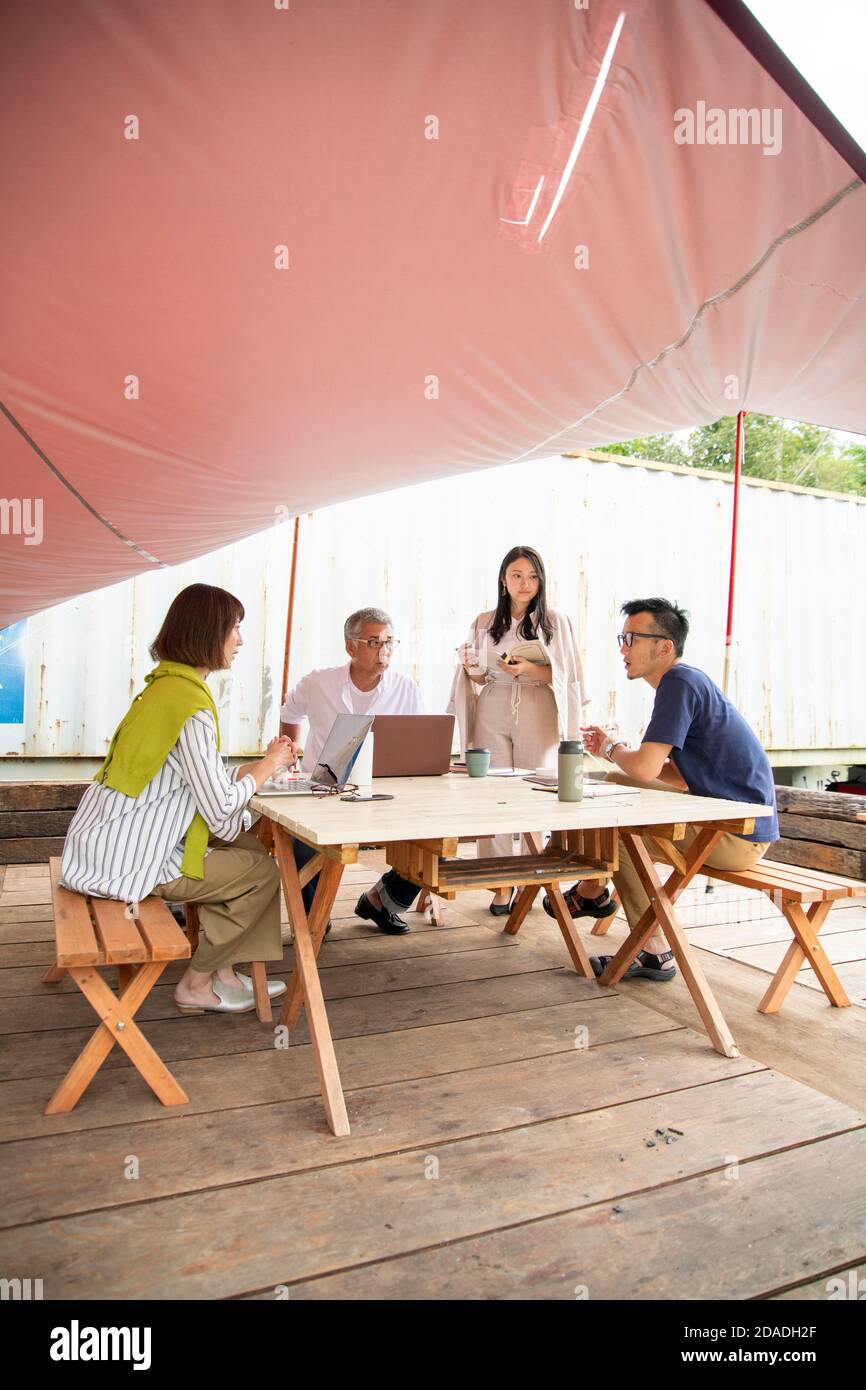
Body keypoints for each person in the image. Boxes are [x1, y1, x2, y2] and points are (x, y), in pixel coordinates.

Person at [61, 584, 300, 1014]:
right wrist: (266, 767)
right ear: (209, 632)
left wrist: (245, 773)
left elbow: (183, 778)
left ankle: (224, 973)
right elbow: (222, 812)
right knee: (261, 871)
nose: (240, 641)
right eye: (236, 628)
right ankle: (197, 983)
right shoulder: (191, 706)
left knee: (245, 848)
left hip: (99, 845)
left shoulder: (164, 689)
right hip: (127, 864)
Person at [573, 597, 779, 983]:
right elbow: (677, 776)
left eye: (631, 638)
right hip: (726, 820)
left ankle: (652, 950)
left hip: (737, 833)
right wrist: (615, 759)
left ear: (664, 647)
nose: (623, 648)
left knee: (615, 830)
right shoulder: (685, 682)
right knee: (613, 784)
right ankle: (591, 890)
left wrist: (609, 747)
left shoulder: (679, 683)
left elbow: (648, 767)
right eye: (622, 637)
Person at [449, 546, 589, 915]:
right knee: (491, 794)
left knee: (534, 790)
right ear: (503, 579)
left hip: (538, 704)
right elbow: (478, 678)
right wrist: (470, 665)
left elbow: (567, 677)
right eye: (516, 575)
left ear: (541, 580)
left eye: (532, 576)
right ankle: (499, 884)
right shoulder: (484, 620)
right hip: (493, 704)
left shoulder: (555, 621)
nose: (524, 583)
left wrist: (526, 668)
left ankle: (533, 876)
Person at [279, 606, 423, 934]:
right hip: (321, 790)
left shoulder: (405, 688)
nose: (384, 650)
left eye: (389, 641)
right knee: (297, 838)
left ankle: (381, 901)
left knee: (433, 835)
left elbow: (418, 738)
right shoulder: (318, 682)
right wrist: (290, 756)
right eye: (374, 642)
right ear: (351, 647)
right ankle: (315, 915)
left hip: (383, 790)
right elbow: (291, 712)